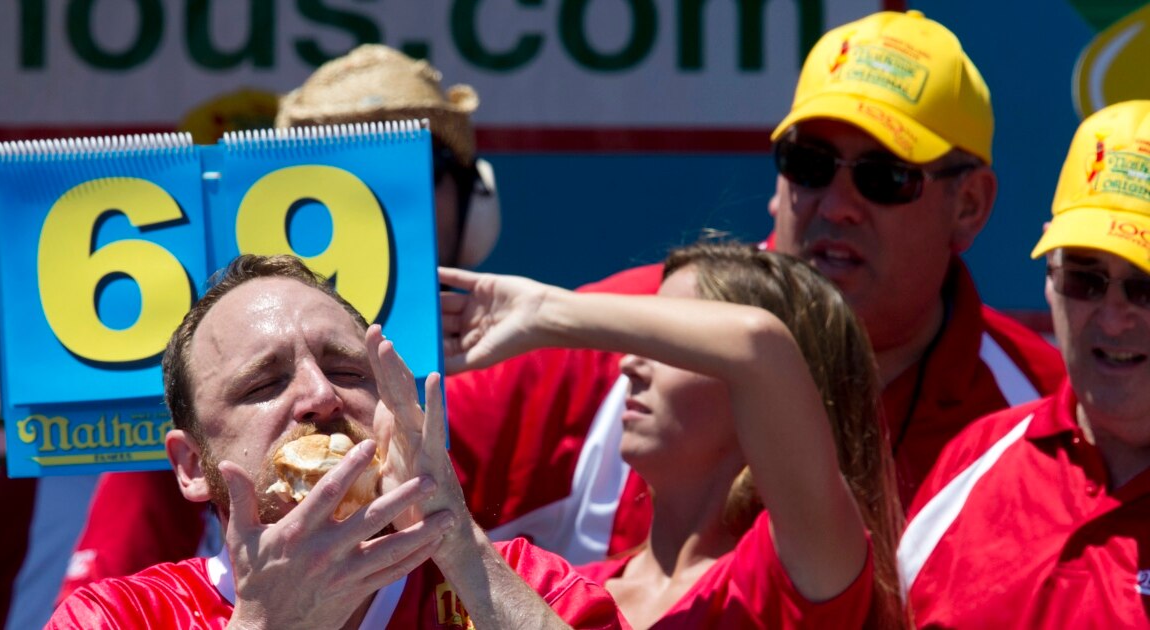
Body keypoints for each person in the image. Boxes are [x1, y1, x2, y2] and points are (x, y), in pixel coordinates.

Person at [443, 9, 1064, 568]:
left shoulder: (1044, 409)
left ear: (970, 205)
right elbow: (391, 477)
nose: (838, 205)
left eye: (885, 176)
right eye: (810, 164)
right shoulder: (610, 329)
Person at [52, 43, 505, 607]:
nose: (372, 207)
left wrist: (457, 541)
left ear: (473, 203)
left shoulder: (538, 371)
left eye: (415, 167)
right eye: (335, 180)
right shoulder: (218, 405)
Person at [49, 254, 621, 629]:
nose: (321, 396)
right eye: (265, 383)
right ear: (194, 465)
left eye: (348, 371)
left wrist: (460, 547)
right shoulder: (118, 616)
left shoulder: (521, 580)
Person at [439, 241, 906, 628]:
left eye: (663, 341)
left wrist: (545, 312)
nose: (628, 363)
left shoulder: (801, 570)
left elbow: (760, 347)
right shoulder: (563, 583)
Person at [898, 100, 1150, 627]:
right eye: (1084, 276)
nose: (1113, 316)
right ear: (1049, 273)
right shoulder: (971, 463)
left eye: (1145, 288)